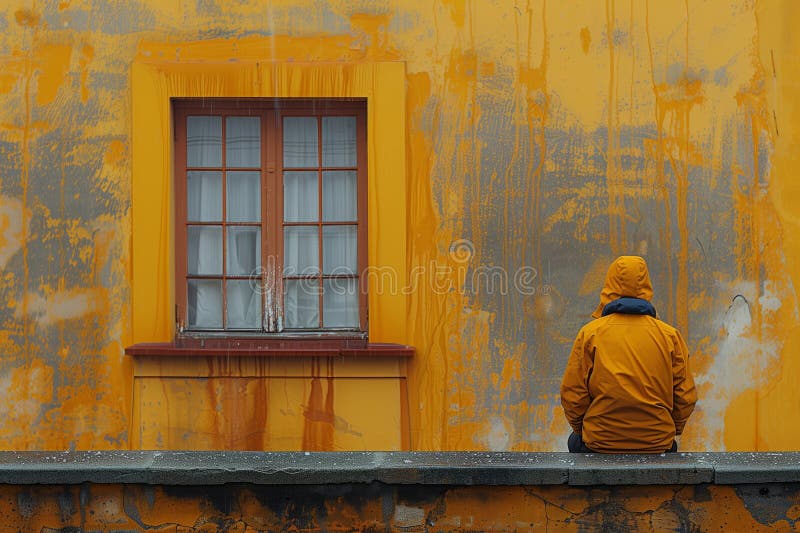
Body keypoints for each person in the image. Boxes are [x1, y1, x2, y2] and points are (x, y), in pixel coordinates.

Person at [560, 255, 697, 453]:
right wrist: (670, 428)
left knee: (575, 440)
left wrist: (584, 429)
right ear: (646, 288)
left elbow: (572, 395)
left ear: (609, 287)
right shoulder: (670, 336)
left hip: (601, 442)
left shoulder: (590, 334)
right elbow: (685, 396)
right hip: (656, 441)